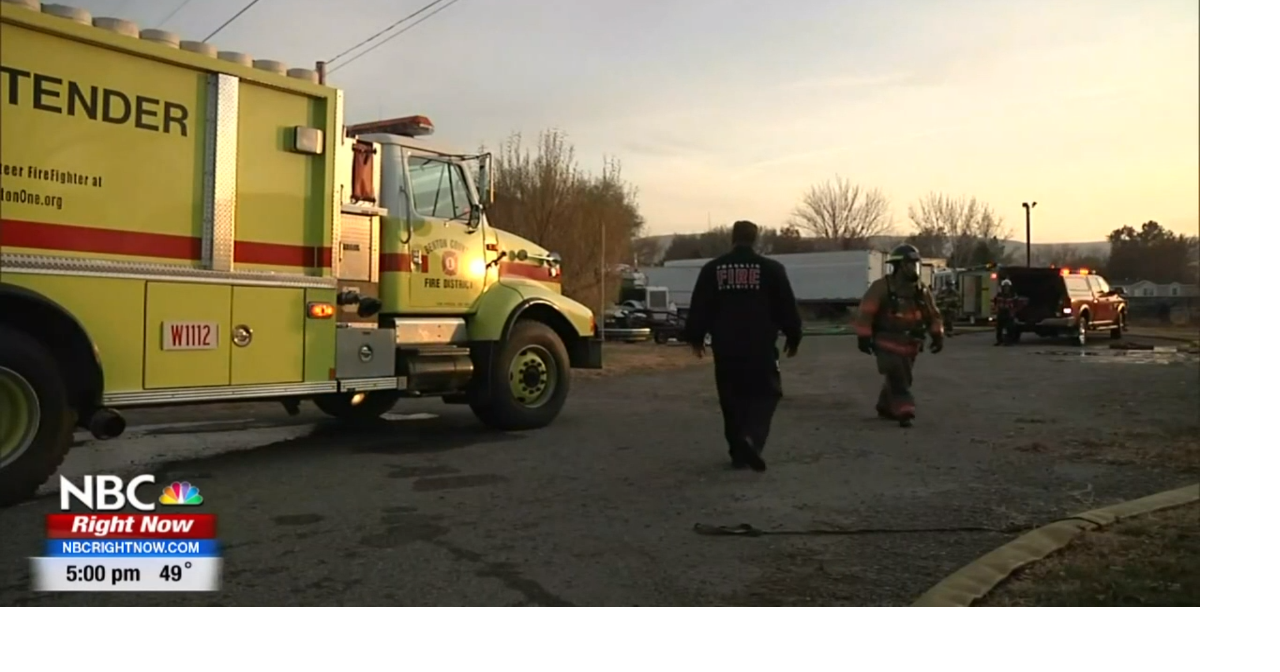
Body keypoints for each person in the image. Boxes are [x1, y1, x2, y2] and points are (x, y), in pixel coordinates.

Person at [684, 220, 802, 472]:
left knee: (731, 397)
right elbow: (786, 306)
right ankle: (751, 438)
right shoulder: (771, 269)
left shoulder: (713, 269)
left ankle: (738, 450)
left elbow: (701, 305)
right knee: (766, 393)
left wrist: (695, 337)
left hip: (726, 346)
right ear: (756, 239)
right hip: (759, 345)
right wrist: (794, 335)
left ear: (732, 238)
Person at [852, 244, 944, 428]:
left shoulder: (921, 290)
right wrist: (863, 336)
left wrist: (937, 334)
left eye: (915, 265)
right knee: (897, 375)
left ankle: (885, 406)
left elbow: (932, 314)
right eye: (909, 265)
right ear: (898, 266)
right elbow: (866, 313)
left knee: (903, 376)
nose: (913, 269)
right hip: (886, 341)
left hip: (911, 343)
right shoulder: (881, 287)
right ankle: (905, 410)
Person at [992, 279, 1025, 346]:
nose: (1006, 288)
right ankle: (999, 341)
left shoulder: (1013, 295)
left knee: (1009, 328)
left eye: (1007, 287)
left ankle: (1008, 341)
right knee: (999, 328)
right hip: (1001, 312)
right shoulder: (999, 294)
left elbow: (1017, 304)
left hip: (1009, 313)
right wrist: (996, 309)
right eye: (1004, 286)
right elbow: (995, 301)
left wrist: (1014, 311)